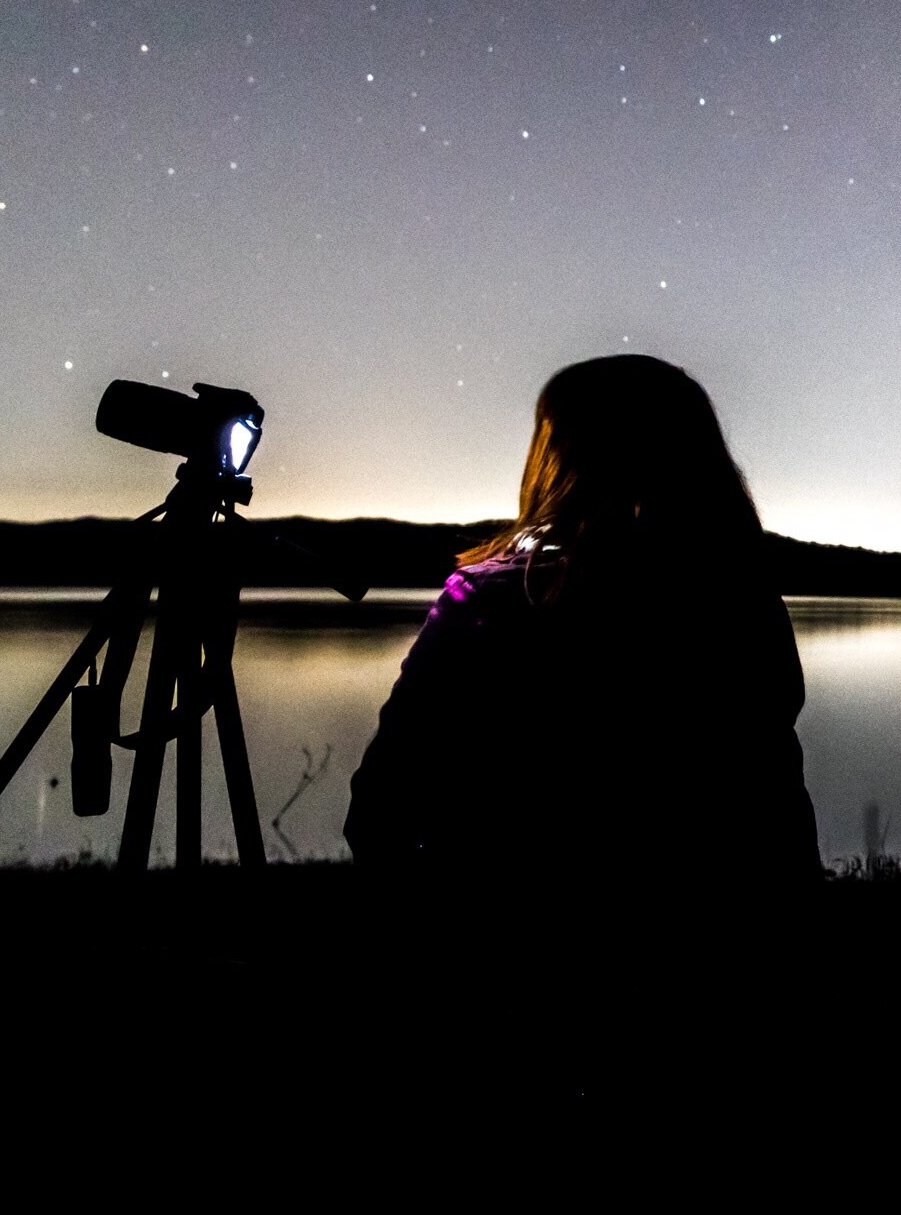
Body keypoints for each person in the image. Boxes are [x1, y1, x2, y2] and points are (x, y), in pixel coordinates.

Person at [346, 354, 820, 880]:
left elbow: (382, 803)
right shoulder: (740, 602)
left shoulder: (491, 599)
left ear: (560, 457)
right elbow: (775, 803)